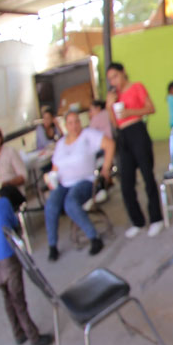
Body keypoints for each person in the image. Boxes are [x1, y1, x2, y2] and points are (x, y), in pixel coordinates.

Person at [0, 159, 53, 345]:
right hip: (9, 260)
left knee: (7, 299)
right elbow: (14, 226)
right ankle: (34, 337)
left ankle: (18, 333)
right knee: (19, 301)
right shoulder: (2, 204)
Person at [44, 111, 115, 261]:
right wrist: (50, 180)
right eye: (70, 123)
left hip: (85, 181)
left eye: (76, 122)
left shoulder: (88, 135)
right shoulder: (61, 144)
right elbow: (55, 169)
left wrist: (105, 169)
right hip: (63, 183)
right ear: (66, 125)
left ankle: (94, 237)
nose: (74, 126)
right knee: (51, 205)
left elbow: (110, 144)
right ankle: (52, 246)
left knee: (70, 202)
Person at [105, 62, 164, 238]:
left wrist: (130, 111)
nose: (114, 81)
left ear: (123, 73)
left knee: (147, 175)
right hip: (123, 136)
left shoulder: (136, 87)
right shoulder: (115, 96)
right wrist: (109, 106)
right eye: (110, 79)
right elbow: (115, 124)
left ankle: (156, 218)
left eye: (115, 76)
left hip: (137, 130)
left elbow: (151, 108)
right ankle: (137, 221)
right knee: (126, 183)